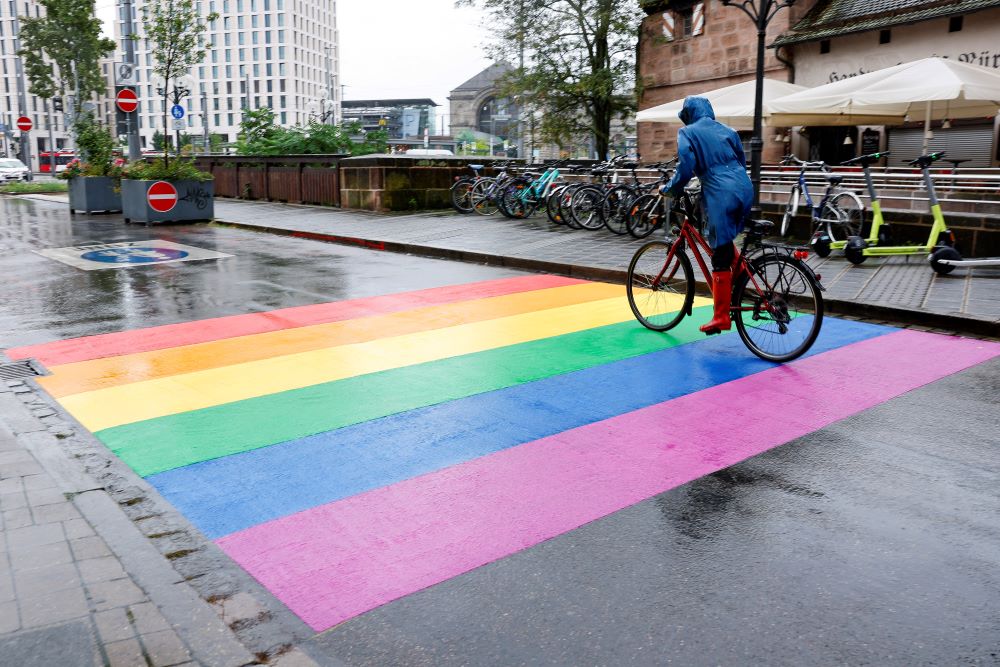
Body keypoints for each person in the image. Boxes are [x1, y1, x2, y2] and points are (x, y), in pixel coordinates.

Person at [660, 96, 754, 335]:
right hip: (743, 186)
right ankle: (743, 279)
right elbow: (740, 161)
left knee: (719, 254)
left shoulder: (688, 132)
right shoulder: (728, 130)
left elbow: (685, 168)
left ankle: (721, 316)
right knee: (723, 239)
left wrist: (671, 189)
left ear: (688, 114)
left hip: (720, 190)